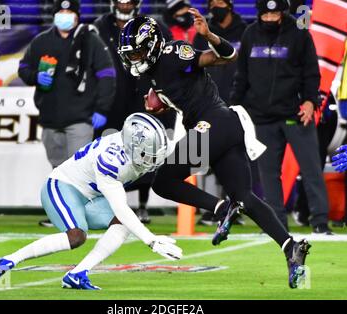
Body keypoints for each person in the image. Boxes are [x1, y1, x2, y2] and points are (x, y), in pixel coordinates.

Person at [118, 14, 311, 289]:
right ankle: (290, 246)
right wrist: (161, 101)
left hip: (214, 124)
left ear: (151, 45)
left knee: (164, 181)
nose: (133, 59)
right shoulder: (152, 72)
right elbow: (180, 90)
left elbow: (226, 56)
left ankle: (222, 209)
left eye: (136, 52)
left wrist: (209, 36)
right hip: (223, 129)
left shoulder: (173, 53)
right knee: (244, 196)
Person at [0, 113, 183, 290]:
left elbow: (185, 143)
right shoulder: (111, 160)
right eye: (147, 153)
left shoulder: (146, 146)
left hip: (91, 196)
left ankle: (78, 274)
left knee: (122, 225)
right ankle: (6, 261)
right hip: (62, 186)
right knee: (76, 236)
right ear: (131, 146)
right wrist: (151, 240)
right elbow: (121, 208)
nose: (153, 159)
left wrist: (205, 126)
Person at [230, 0, 331, 234]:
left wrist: (309, 101)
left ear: (283, 13)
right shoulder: (250, 34)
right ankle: (275, 225)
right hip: (261, 117)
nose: (270, 19)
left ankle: (320, 223)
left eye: (275, 15)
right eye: (266, 15)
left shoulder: (299, 34)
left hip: (295, 115)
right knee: (268, 175)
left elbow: (311, 72)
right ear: (259, 14)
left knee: (311, 169)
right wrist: (234, 107)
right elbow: (241, 75)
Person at [18, 0, 116, 227]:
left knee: (82, 170)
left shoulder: (90, 40)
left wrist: (102, 108)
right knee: (58, 170)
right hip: (50, 117)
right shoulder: (41, 41)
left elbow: (107, 75)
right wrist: (34, 77)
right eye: (60, 12)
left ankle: (91, 215)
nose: (64, 16)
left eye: (69, 12)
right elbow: (23, 68)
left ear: (77, 16)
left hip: (80, 117)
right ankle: (61, 213)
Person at [93, 0, 172, 224]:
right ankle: (111, 207)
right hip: (111, 99)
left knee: (144, 151)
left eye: (129, 2)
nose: (125, 5)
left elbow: (167, 59)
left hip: (145, 94)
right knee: (111, 152)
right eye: (121, 1)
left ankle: (142, 205)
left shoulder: (154, 26)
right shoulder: (99, 27)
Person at [193, 0, 247, 225]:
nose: (216, 7)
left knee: (235, 157)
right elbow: (193, 65)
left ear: (230, 5)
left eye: (220, 3)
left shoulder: (245, 30)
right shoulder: (201, 31)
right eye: (212, 3)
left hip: (237, 101)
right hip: (209, 102)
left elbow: (247, 66)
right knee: (206, 157)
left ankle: (236, 204)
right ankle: (212, 207)